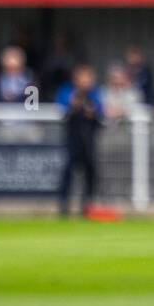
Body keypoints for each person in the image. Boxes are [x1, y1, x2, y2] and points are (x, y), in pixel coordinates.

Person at [56, 65, 104, 217]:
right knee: (69, 171)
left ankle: (87, 206)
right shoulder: (67, 91)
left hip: (89, 140)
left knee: (90, 171)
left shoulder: (95, 94)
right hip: (72, 138)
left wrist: (93, 112)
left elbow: (101, 111)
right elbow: (62, 108)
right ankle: (64, 206)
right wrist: (75, 105)